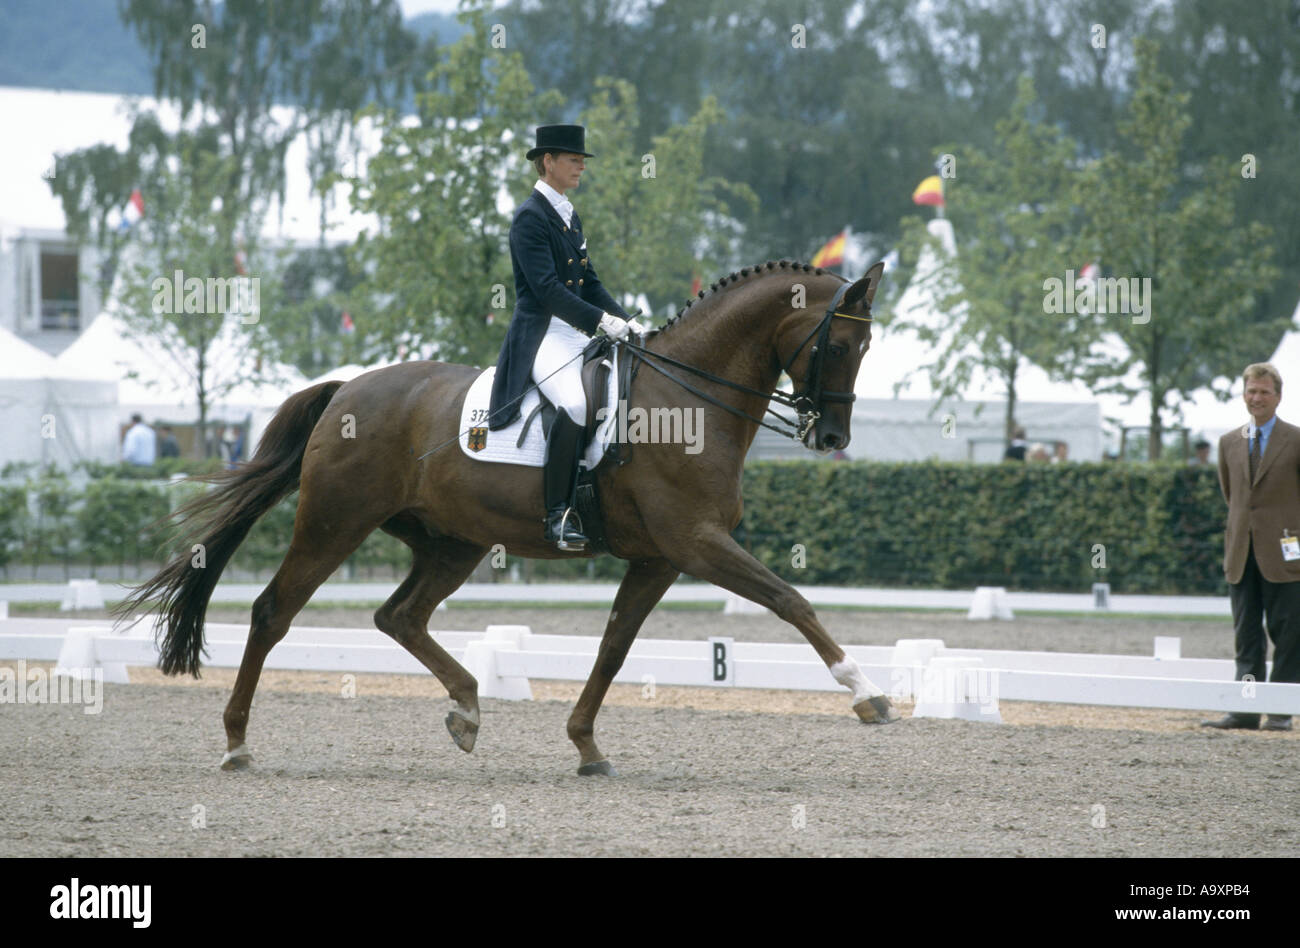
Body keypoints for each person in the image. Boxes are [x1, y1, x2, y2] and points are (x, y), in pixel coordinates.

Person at [487, 123, 645, 551]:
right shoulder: (529, 218)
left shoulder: (568, 214)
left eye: (582, 161)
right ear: (548, 162)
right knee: (575, 404)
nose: (581, 167)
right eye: (574, 160)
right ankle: (557, 514)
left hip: (576, 329)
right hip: (541, 333)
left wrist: (624, 320)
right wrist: (601, 321)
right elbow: (548, 291)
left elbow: (588, 282)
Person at [1202, 363, 1299, 730]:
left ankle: (1279, 712)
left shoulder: (1296, 439)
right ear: (1243, 394)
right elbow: (1234, 497)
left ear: (1278, 396)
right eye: (1251, 391)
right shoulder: (1228, 442)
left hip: (1287, 554)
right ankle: (1245, 710)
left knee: (1288, 635)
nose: (1256, 398)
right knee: (1246, 638)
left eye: (1264, 392)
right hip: (1241, 553)